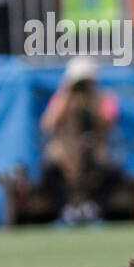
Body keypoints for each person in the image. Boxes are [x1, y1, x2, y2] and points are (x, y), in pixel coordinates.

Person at [37, 56, 124, 224]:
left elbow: (109, 123)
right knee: (48, 169)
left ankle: (92, 209)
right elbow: (47, 124)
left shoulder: (103, 98)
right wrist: (66, 96)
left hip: (94, 154)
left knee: (115, 171)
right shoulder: (61, 99)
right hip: (65, 156)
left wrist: (90, 105)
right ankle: (66, 211)